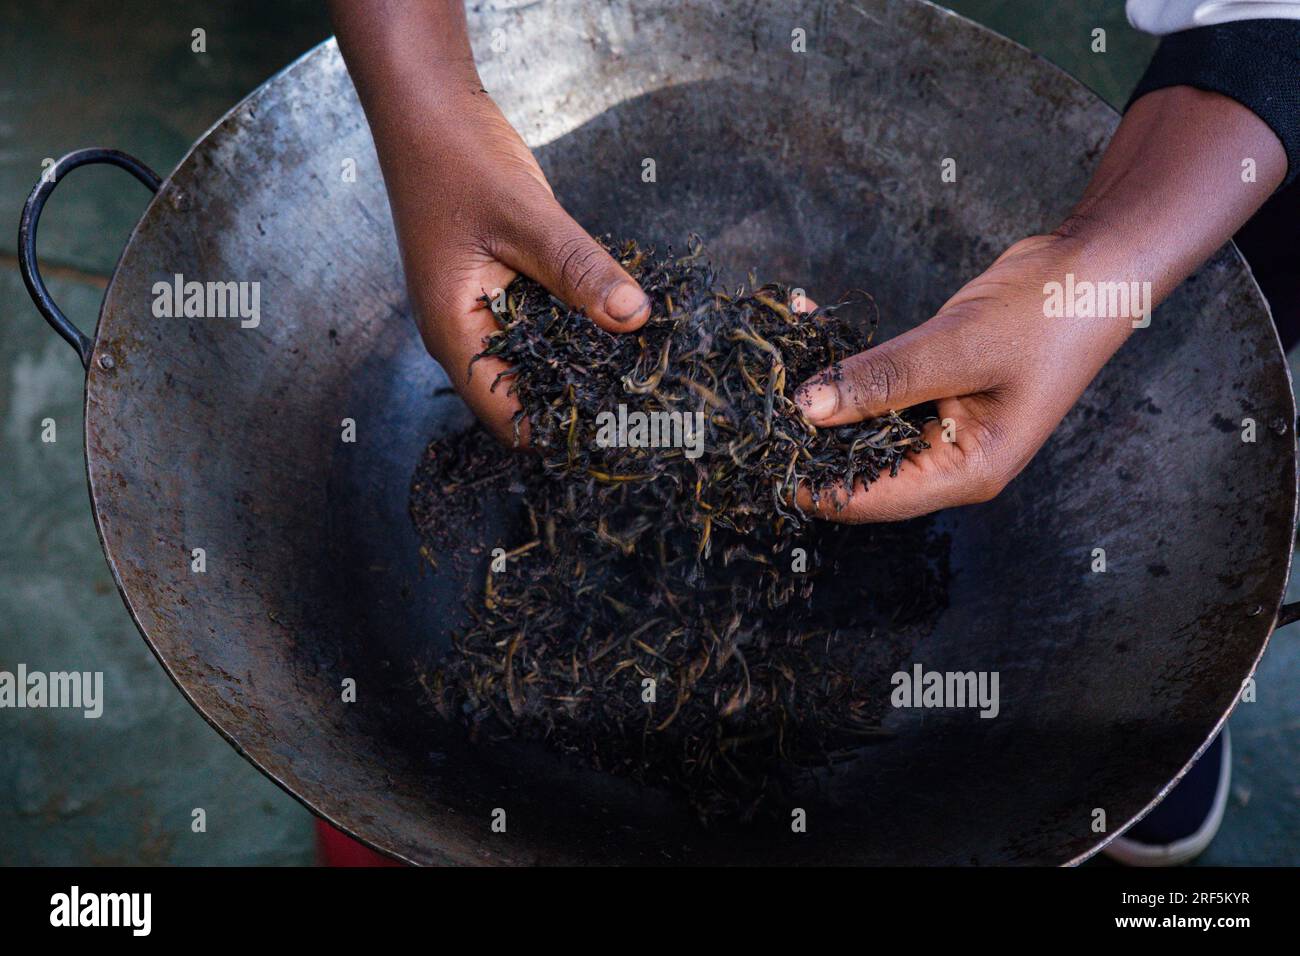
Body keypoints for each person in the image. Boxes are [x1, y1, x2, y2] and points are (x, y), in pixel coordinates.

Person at [328, 0, 1300, 865]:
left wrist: (1095, 263)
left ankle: (1160, 700)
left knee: (1179, 348)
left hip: (1214, 138)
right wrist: (427, 97)